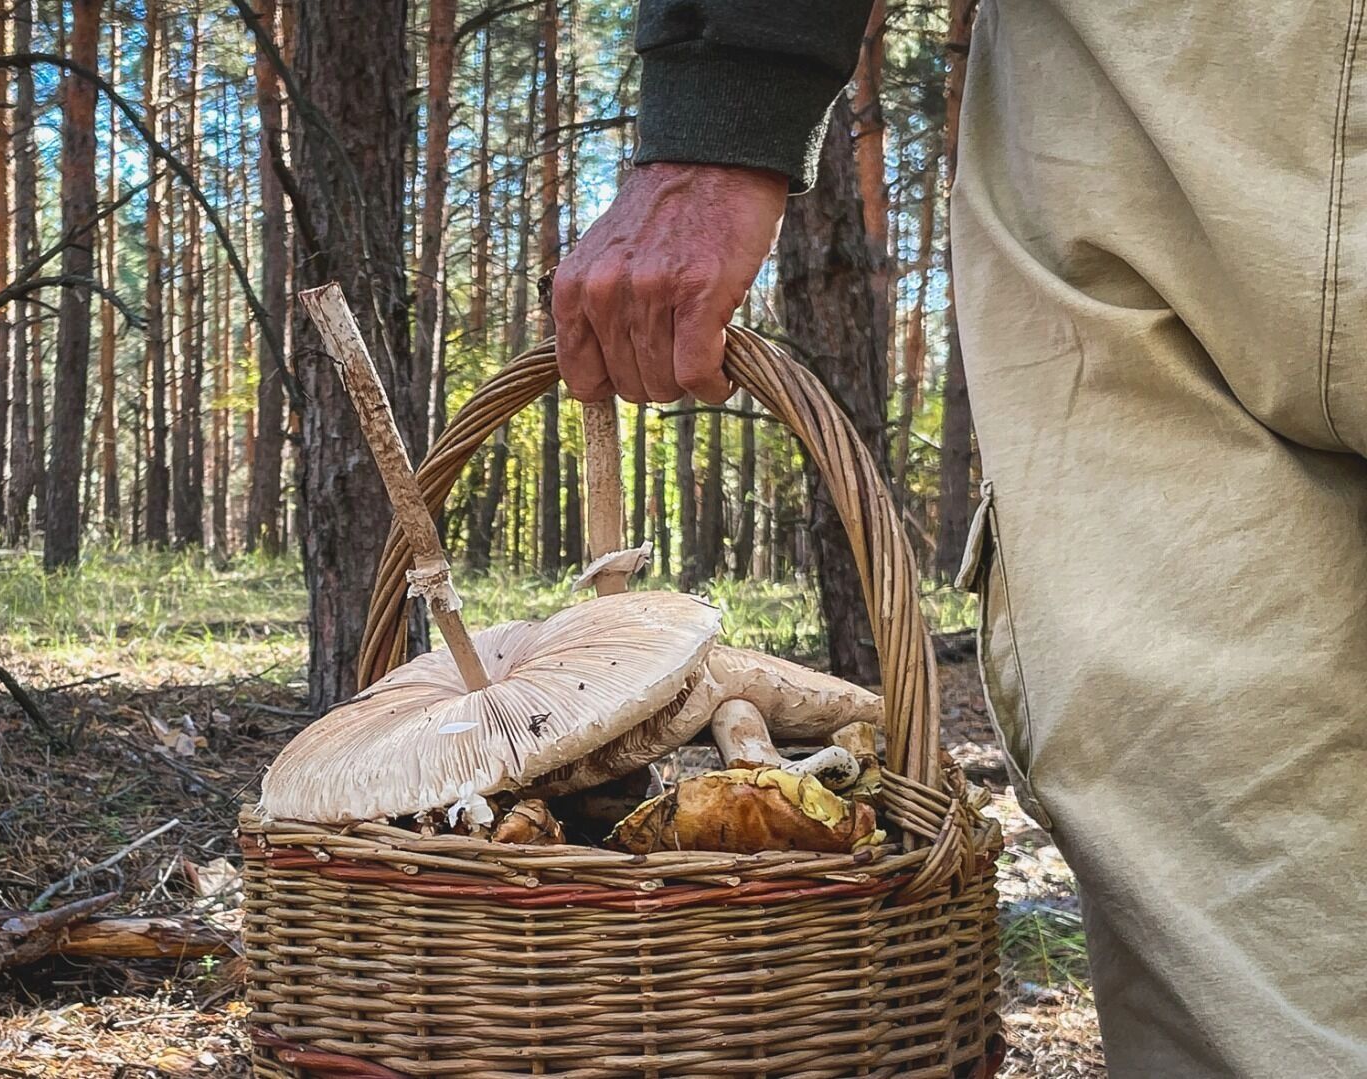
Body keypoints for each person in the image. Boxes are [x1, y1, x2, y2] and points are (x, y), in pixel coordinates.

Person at [553, 3, 1367, 1076]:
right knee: (1209, 823)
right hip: (1135, 100)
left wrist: (720, 108)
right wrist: (727, 105)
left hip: (1131, 108)